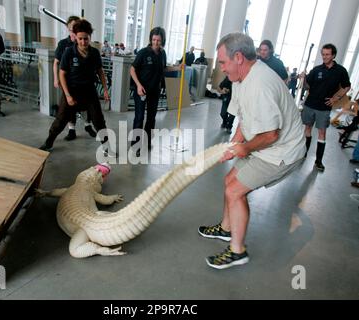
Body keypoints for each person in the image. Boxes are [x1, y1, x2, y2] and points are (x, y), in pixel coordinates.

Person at [198, 32, 305, 270]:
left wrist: (243, 148)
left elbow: (271, 134)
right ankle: (226, 230)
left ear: (238, 57)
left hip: (282, 150)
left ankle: (238, 251)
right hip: (265, 141)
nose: (221, 68)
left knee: (235, 192)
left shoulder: (260, 85)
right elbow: (245, 121)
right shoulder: (239, 79)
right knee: (229, 180)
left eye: (223, 62)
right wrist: (230, 147)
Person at [40, 19, 110, 151]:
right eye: (80, 39)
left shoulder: (94, 53)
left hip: (89, 91)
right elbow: (62, 74)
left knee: (99, 120)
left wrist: (105, 90)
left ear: (90, 37)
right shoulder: (69, 52)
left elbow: (100, 72)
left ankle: (106, 147)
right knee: (60, 120)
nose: (83, 42)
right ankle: (49, 142)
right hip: (72, 91)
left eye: (86, 39)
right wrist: (67, 95)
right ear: (76, 38)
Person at [130, 27, 183, 155]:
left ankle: (147, 141)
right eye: (154, 39)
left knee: (151, 118)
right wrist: (138, 85)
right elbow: (132, 69)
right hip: (141, 90)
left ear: (162, 41)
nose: (155, 42)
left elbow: (164, 69)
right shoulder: (143, 53)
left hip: (155, 90)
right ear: (151, 39)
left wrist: (177, 67)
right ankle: (135, 145)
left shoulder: (163, 54)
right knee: (139, 117)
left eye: (158, 40)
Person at [300, 43, 351, 171]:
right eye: (323, 54)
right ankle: (304, 154)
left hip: (324, 107)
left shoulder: (340, 71)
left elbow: (346, 86)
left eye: (327, 54)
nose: (324, 57)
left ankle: (318, 161)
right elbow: (307, 87)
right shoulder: (316, 69)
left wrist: (335, 98)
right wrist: (304, 79)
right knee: (307, 129)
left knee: (322, 132)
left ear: (333, 55)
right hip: (310, 104)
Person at [54, 16, 96, 141]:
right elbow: (56, 63)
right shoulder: (64, 44)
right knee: (69, 108)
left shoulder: (86, 45)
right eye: (72, 28)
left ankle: (88, 125)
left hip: (85, 83)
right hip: (68, 82)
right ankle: (71, 129)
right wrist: (56, 79)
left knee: (88, 106)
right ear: (69, 29)